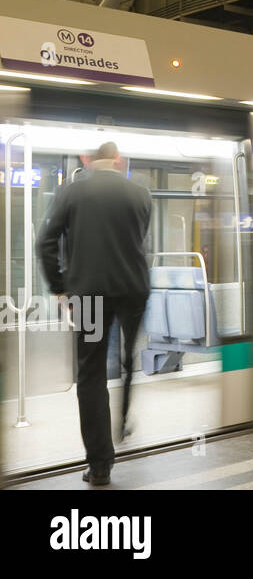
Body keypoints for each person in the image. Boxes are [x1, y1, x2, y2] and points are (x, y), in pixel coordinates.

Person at [38, 141, 153, 488]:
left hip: (88, 296)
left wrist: (59, 287)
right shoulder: (140, 193)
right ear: (117, 160)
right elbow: (139, 239)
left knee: (91, 375)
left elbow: (46, 242)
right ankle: (122, 419)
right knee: (129, 358)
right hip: (133, 290)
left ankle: (101, 464)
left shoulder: (71, 192)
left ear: (87, 160)